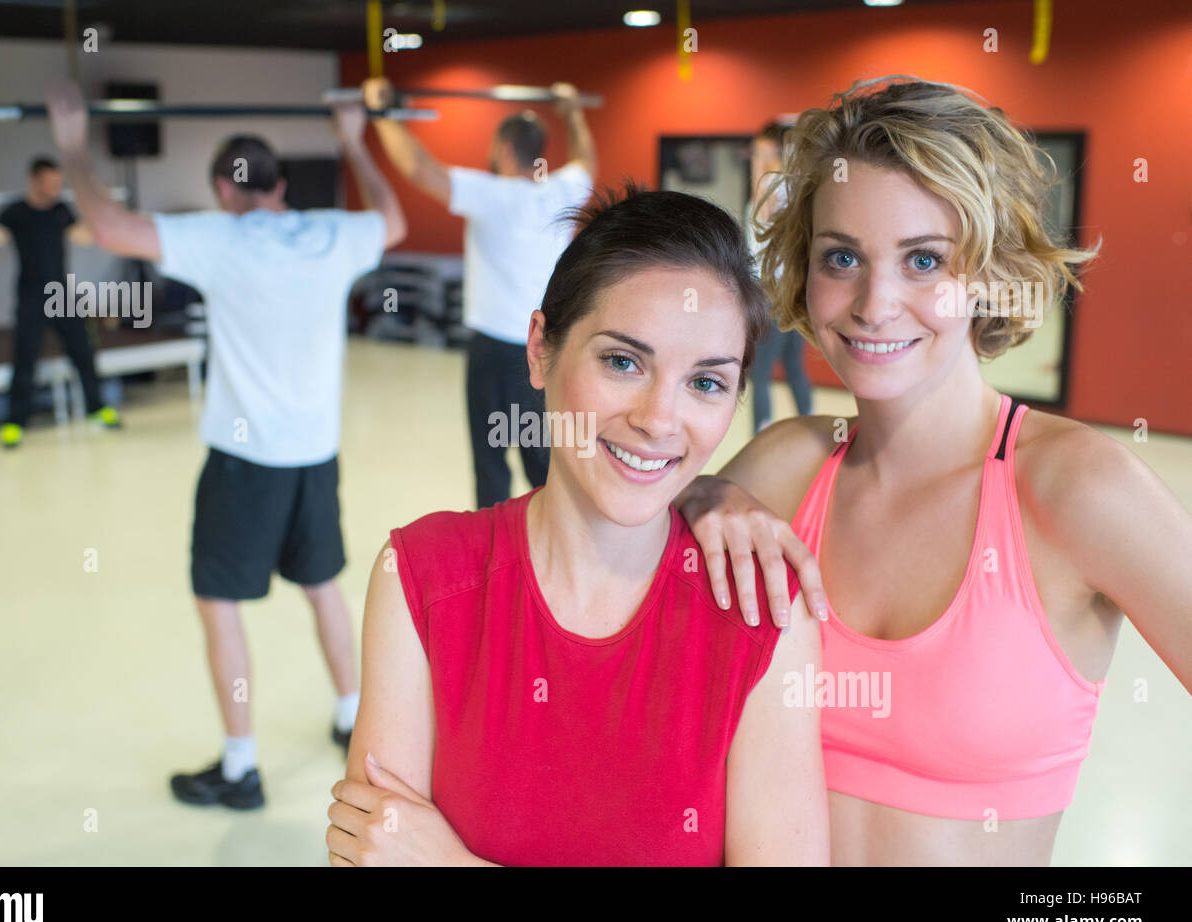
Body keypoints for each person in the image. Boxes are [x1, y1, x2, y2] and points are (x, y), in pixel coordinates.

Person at [676, 77, 1192, 865]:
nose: (875, 303)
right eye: (841, 257)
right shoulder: (782, 466)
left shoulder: (1075, 487)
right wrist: (693, 496)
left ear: (988, 273)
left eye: (924, 261)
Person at [325, 187, 829, 866]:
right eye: (623, 362)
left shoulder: (761, 613)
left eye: (705, 383)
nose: (658, 418)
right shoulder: (423, 576)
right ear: (540, 350)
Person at [43, 79, 407, 810]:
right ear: (277, 185)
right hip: (315, 457)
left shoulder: (220, 238)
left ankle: (240, 770)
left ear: (222, 189)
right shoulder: (331, 233)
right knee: (321, 582)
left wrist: (73, 143)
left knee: (220, 603)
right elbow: (393, 219)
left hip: (245, 467)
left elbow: (110, 226)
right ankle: (349, 716)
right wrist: (350, 139)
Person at [366, 78, 597, 508]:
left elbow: (419, 168)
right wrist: (573, 113)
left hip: (493, 352)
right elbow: (587, 159)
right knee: (542, 460)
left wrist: (381, 114)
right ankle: (555, 546)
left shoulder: (492, 195)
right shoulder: (563, 190)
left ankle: (497, 556)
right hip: (545, 349)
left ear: (504, 150)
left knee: (491, 465)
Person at [0, 157, 120, 448]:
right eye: (49, 184)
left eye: (58, 184)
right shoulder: (15, 213)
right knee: (25, 361)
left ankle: (97, 409)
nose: (55, 189)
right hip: (31, 296)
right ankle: (15, 423)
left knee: (84, 353)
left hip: (62, 297)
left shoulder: (61, 211)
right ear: (33, 181)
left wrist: (101, 203)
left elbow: (88, 236)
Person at [746, 121, 812, 431]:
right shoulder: (792, 185)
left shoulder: (771, 180)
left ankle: (760, 436)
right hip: (791, 287)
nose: (755, 156)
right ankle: (814, 429)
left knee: (760, 373)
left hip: (770, 289)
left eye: (760, 148)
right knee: (792, 367)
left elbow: (766, 215)